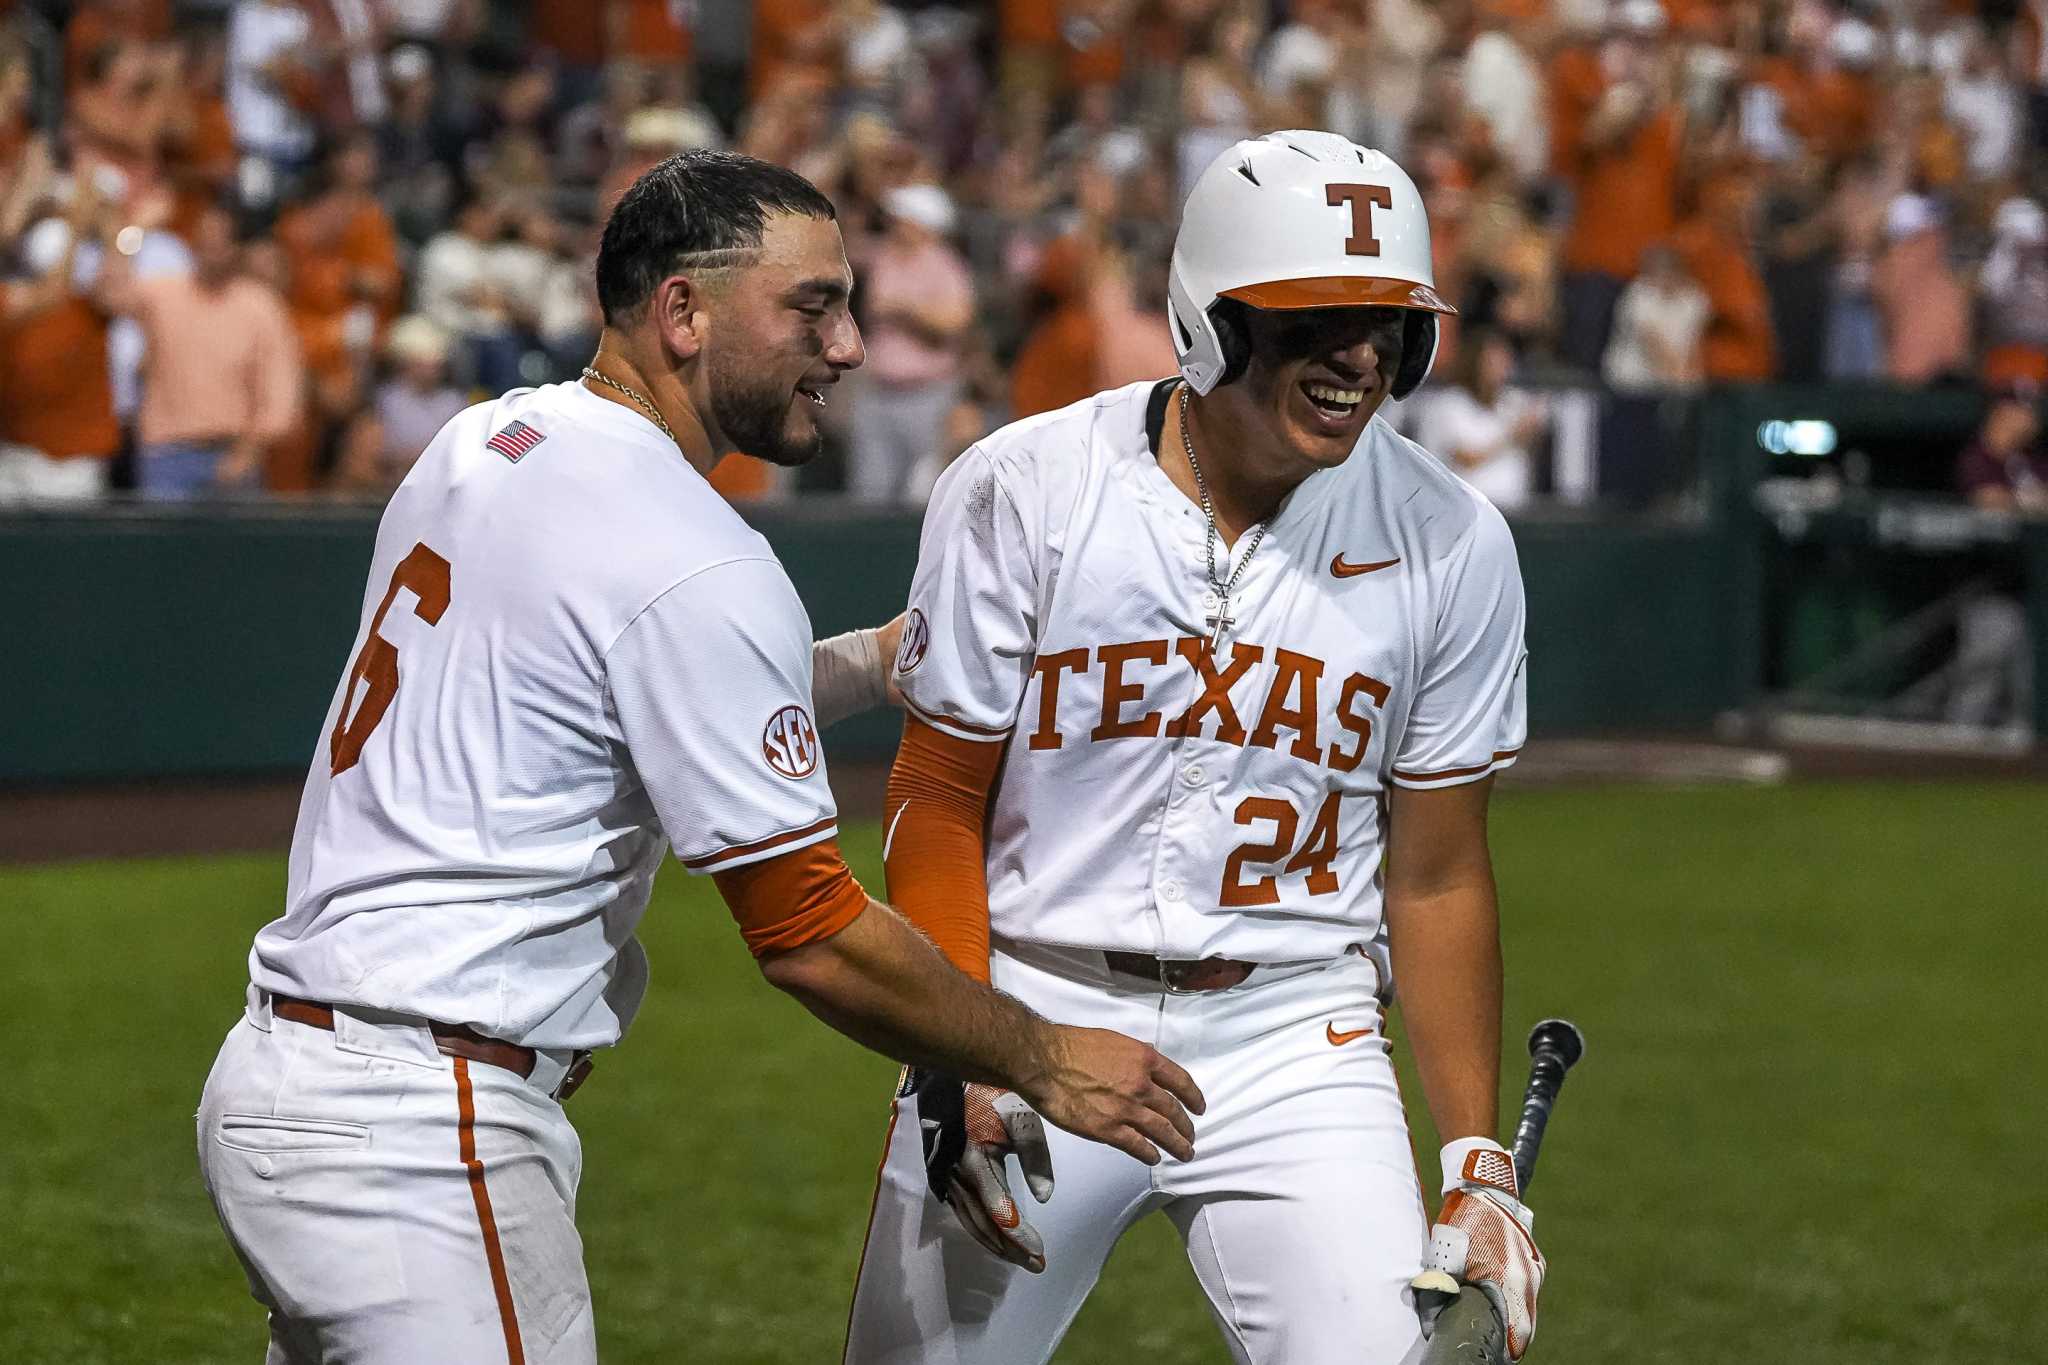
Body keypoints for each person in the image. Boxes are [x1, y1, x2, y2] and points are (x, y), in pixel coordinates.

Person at [194, 151, 1204, 1364]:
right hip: (417, 1127)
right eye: (812, 307)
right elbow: (810, 934)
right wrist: (1043, 1057)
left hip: (291, 1074)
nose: (847, 348)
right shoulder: (690, 552)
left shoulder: (486, 440)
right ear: (682, 310)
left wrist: (874, 660)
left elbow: (618, 684)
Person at [845, 131, 1542, 1365]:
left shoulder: (1450, 537)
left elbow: (1436, 873)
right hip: (1029, 1001)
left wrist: (1475, 1160)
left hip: (1296, 1035)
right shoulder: (1025, 486)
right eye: (1316, 319)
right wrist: (960, 1052)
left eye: (1389, 322)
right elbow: (938, 794)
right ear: (1208, 323)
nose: (1360, 355)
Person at [1417, 326, 1549, 510]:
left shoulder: (1513, 401)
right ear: (1476, 363)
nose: (1502, 369)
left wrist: (1534, 429)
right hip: (1468, 510)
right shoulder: (1450, 403)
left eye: (1505, 361)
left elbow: (1532, 448)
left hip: (1515, 508)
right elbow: (1466, 458)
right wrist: (1512, 436)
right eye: (1493, 362)